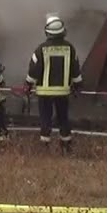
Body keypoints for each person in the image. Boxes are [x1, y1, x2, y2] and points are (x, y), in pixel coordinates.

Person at [25, 14, 83, 153]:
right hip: (63, 92)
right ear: (63, 31)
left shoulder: (41, 49)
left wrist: (28, 85)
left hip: (45, 93)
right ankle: (66, 147)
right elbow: (75, 70)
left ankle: (44, 148)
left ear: (47, 32)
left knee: (46, 119)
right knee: (63, 119)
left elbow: (33, 70)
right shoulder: (70, 48)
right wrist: (77, 86)